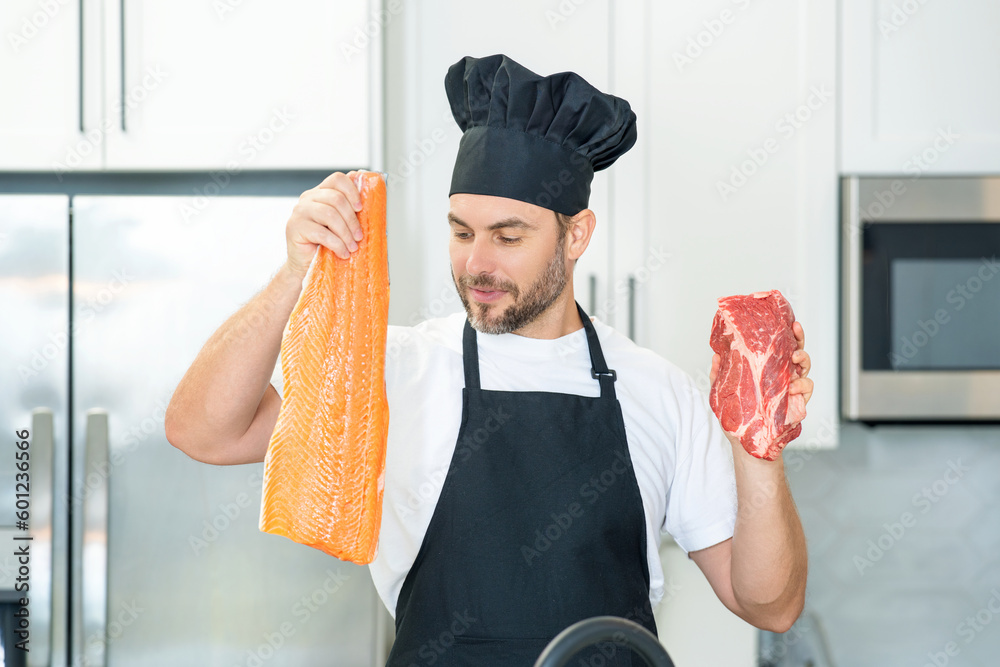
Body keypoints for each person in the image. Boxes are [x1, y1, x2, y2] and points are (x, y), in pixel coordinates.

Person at [166, 54, 811, 665]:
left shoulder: (656, 389)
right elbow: (204, 432)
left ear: (577, 234)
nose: (477, 264)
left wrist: (760, 447)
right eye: (461, 232)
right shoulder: (394, 369)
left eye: (508, 237)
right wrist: (293, 275)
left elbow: (770, 605)